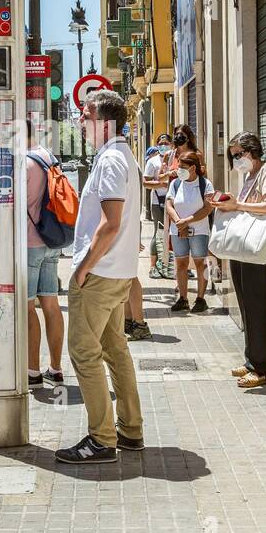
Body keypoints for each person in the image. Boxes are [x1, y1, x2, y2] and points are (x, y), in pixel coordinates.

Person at [56, 89, 144, 464]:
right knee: (114, 349)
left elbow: (110, 225)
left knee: (83, 352)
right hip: (117, 273)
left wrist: (82, 268)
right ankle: (130, 430)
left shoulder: (111, 161)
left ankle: (101, 439)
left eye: (85, 115)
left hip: (101, 274)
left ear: (104, 123)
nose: (80, 121)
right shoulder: (121, 157)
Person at [207, 131, 266, 389]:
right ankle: (252, 361)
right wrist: (229, 202)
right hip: (245, 250)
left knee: (257, 305)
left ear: (252, 151)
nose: (236, 160)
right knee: (246, 305)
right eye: (233, 156)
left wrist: (237, 206)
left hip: (259, 249)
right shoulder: (250, 176)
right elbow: (246, 204)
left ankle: (262, 368)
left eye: (238, 154)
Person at [24, 119, 65, 387]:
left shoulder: (22, 164)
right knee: (50, 303)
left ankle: (33, 371)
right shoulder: (49, 158)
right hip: (52, 240)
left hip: (29, 243)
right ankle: (57, 367)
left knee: (27, 308)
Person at [164, 150, 214, 313]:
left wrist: (188, 221)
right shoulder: (175, 184)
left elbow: (208, 208)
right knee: (181, 263)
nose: (179, 170)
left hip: (199, 230)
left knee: (200, 263)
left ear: (193, 168)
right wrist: (179, 221)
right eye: (179, 166)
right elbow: (169, 205)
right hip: (178, 229)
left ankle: (201, 298)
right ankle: (183, 298)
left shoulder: (204, 184)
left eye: (182, 167)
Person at [143, 134, 173, 279]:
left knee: (174, 235)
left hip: (176, 203)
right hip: (158, 201)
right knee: (158, 232)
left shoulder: (177, 160)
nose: (163, 145)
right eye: (161, 143)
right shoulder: (152, 162)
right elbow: (146, 182)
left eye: (166, 143)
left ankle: (172, 265)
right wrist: (162, 184)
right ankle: (153, 266)